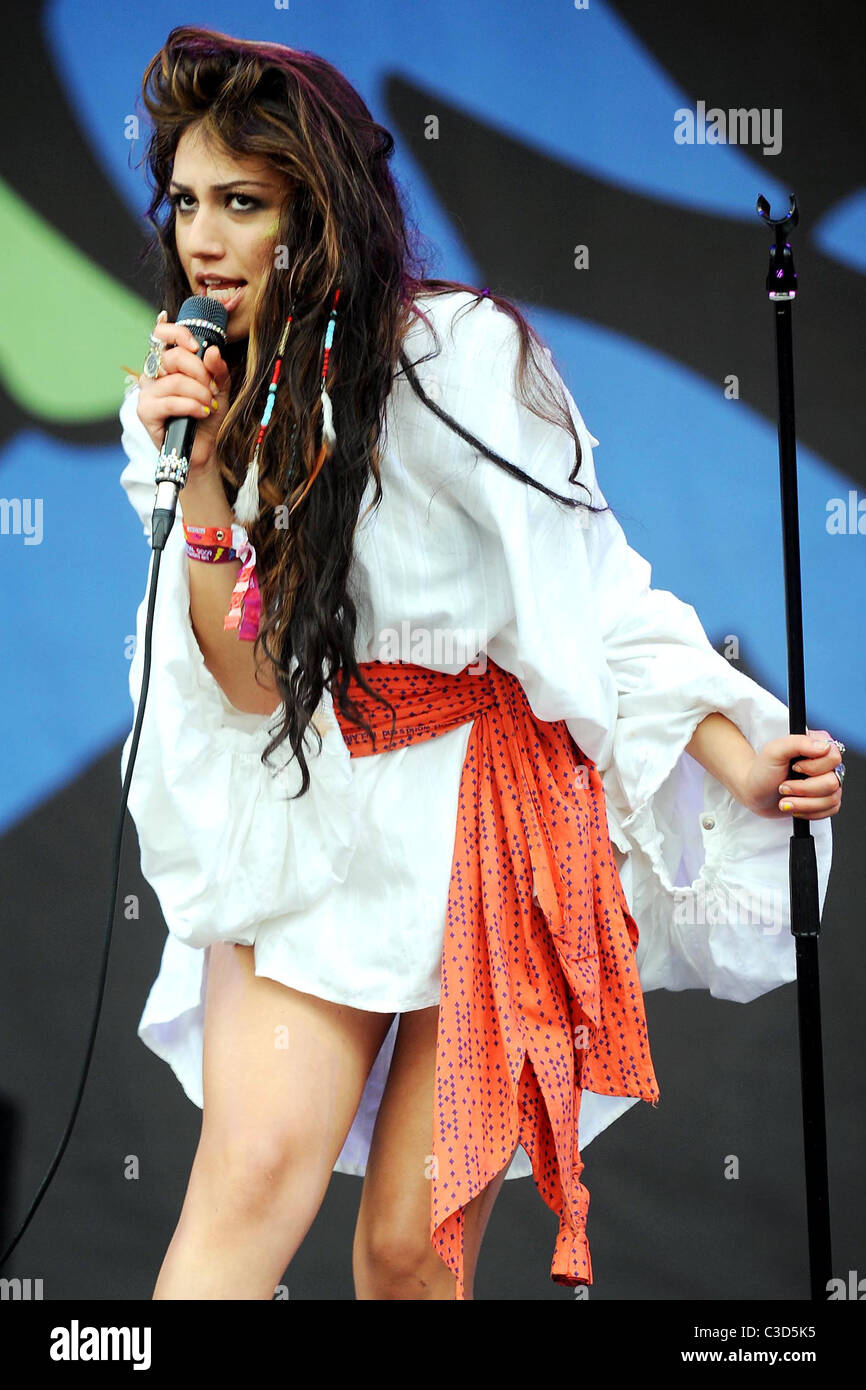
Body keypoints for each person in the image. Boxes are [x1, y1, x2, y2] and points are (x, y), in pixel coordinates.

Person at [119, 25, 842, 1301]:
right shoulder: (190, 402)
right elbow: (242, 686)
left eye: (242, 202)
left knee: (406, 1248)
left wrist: (739, 755)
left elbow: (597, 594)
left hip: (486, 819)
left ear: (320, 209)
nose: (202, 239)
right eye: (185, 202)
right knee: (246, 1181)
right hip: (313, 806)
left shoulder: (459, 356)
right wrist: (212, 472)